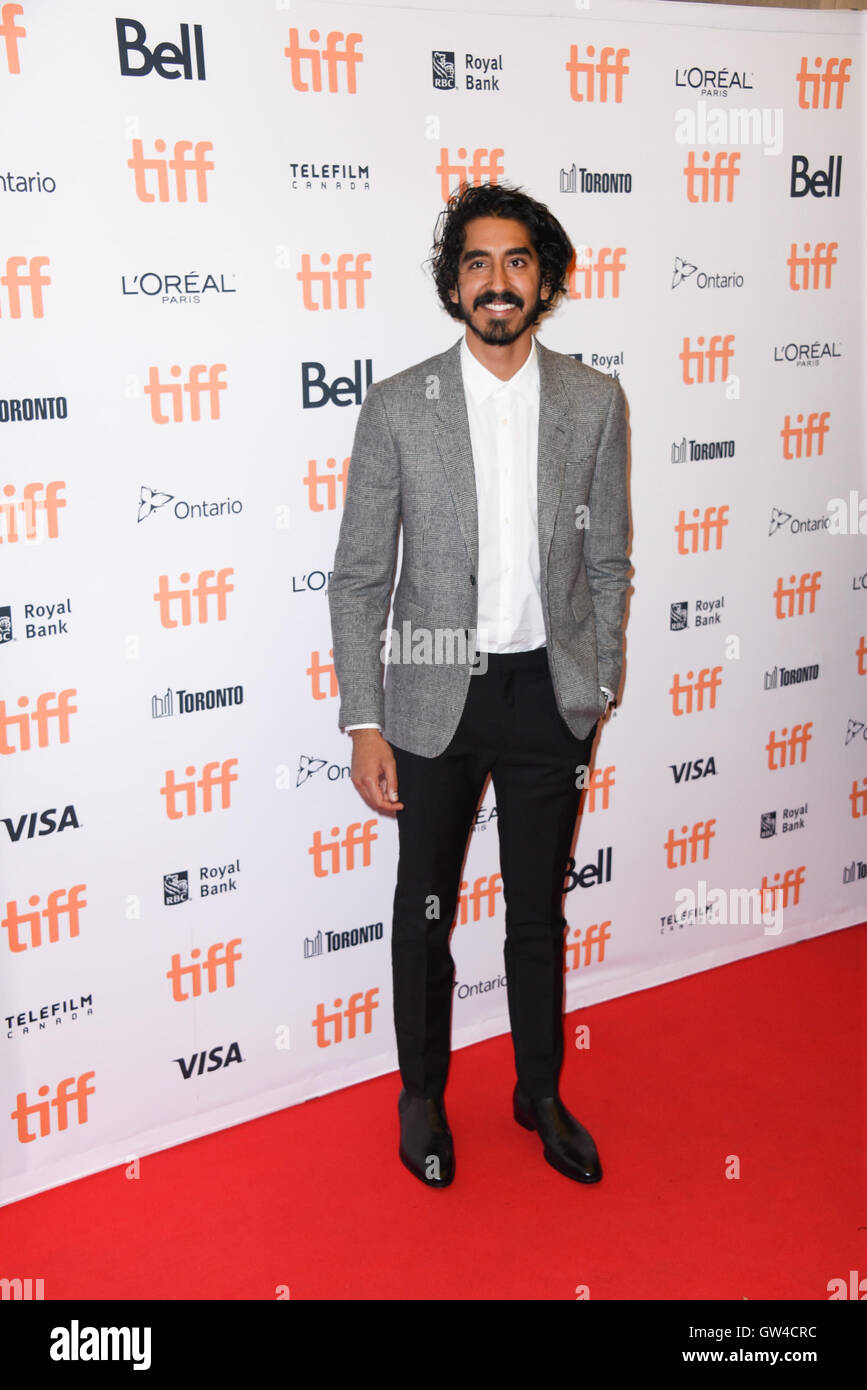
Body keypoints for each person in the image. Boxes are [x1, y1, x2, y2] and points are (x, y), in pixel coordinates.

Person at [328, 182, 631, 1188]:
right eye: (475, 262)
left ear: (545, 278)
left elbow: (609, 563)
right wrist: (365, 718)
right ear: (452, 282)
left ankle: (539, 1090)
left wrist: (594, 682)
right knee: (426, 905)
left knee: (538, 908)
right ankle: (421, 1093)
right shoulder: (398, 403)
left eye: (515, 262)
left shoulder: (593, 400)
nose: (496, 282)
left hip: (549, 695)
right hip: (427, 697)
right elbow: (363, 575)